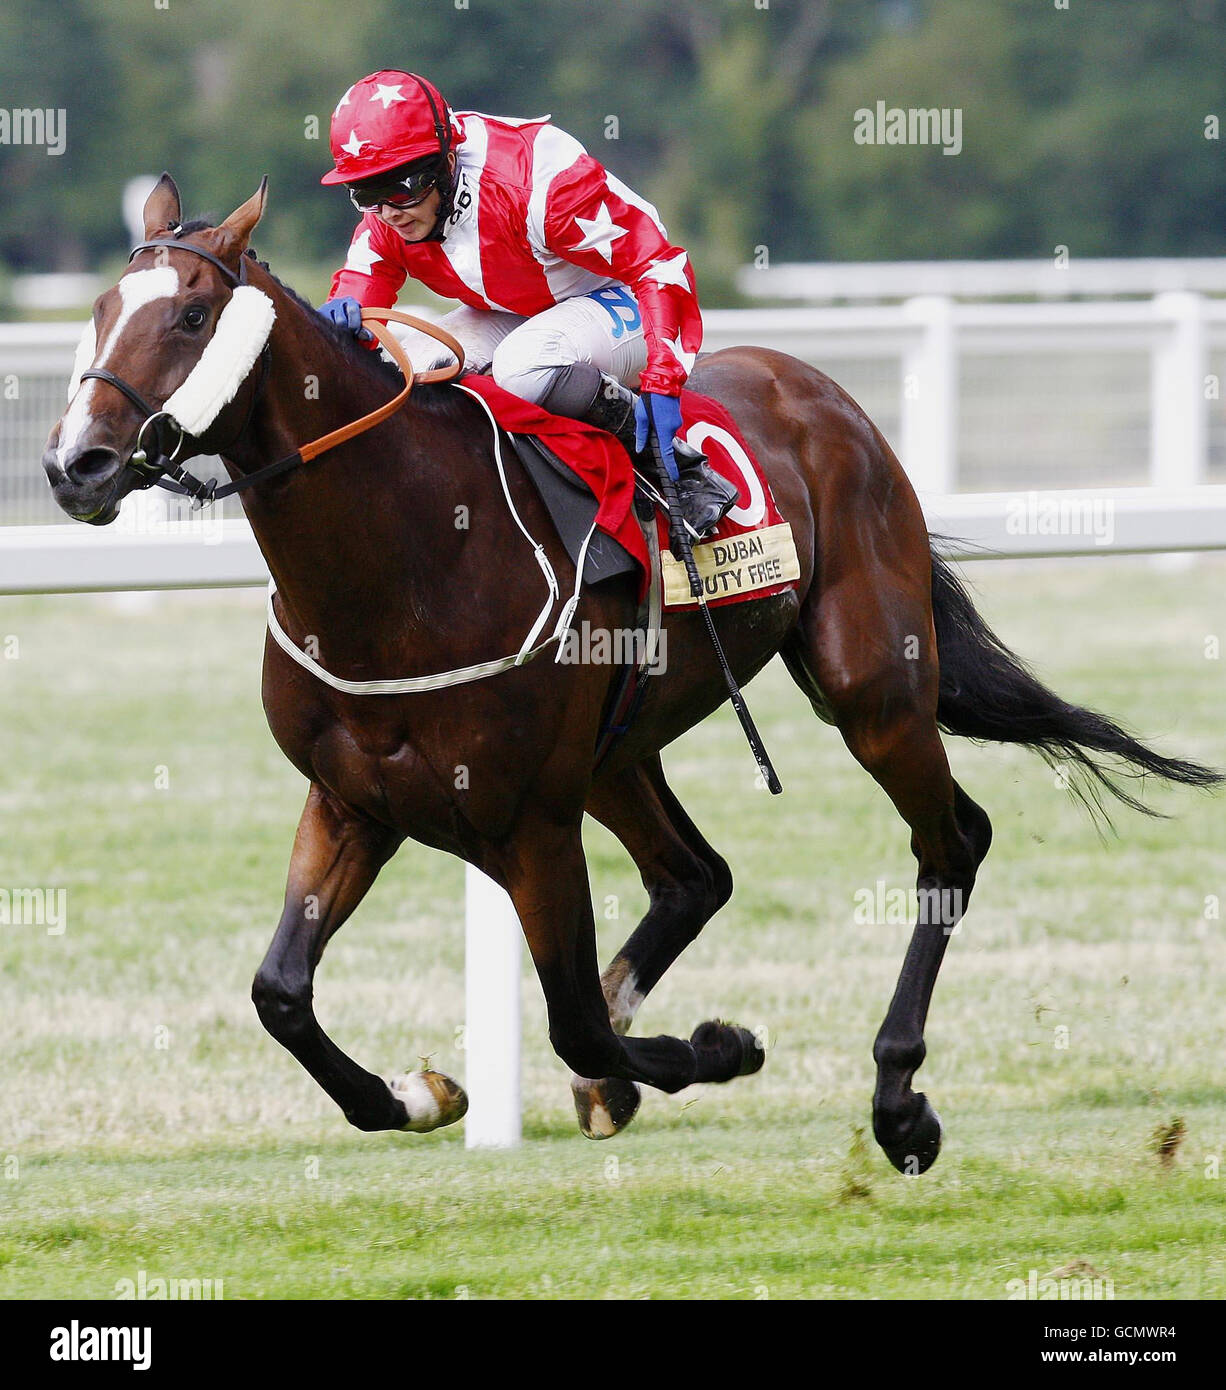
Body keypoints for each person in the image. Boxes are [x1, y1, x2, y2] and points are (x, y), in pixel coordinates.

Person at [318, 69, 737, 537]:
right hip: (522, 310)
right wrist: (343, 322)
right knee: (405, 369)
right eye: (367, 193)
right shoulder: (387, 217)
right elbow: (360, 291)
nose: (389, 211)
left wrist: (663, 377)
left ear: (446, 162)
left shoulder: (540, 186)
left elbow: (659, 265)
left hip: (622, 296)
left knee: (523, 367)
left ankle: (676, 469)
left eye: (402, 187)